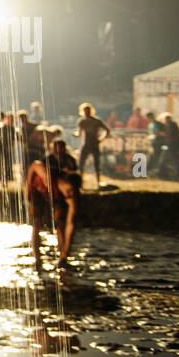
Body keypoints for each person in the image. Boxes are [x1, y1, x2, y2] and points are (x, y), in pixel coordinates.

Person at [25, 139, 81, 271]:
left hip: (54, 196)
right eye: (69, 190)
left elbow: (70, 223)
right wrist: (27, 190)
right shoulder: (46, 174)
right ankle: (37, 259)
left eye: (72, 192)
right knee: (36, 224)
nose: (70, 194)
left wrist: (65, 255)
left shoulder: (70, 195)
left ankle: (62, 258)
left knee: (61, 224)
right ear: (63, 183)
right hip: (37, 191)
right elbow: (34, 166)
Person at [73, 103, 110, 190]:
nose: (87, 113)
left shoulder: (96, 121)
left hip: (94, 144)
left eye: (88, 111)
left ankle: (98, 183)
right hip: (85, 145)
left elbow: (107, 130)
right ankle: (81, 184)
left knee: (96, 164)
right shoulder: (82, 122)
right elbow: (80, 133)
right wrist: (75, 134)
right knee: (81, 164)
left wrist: (101, 139)